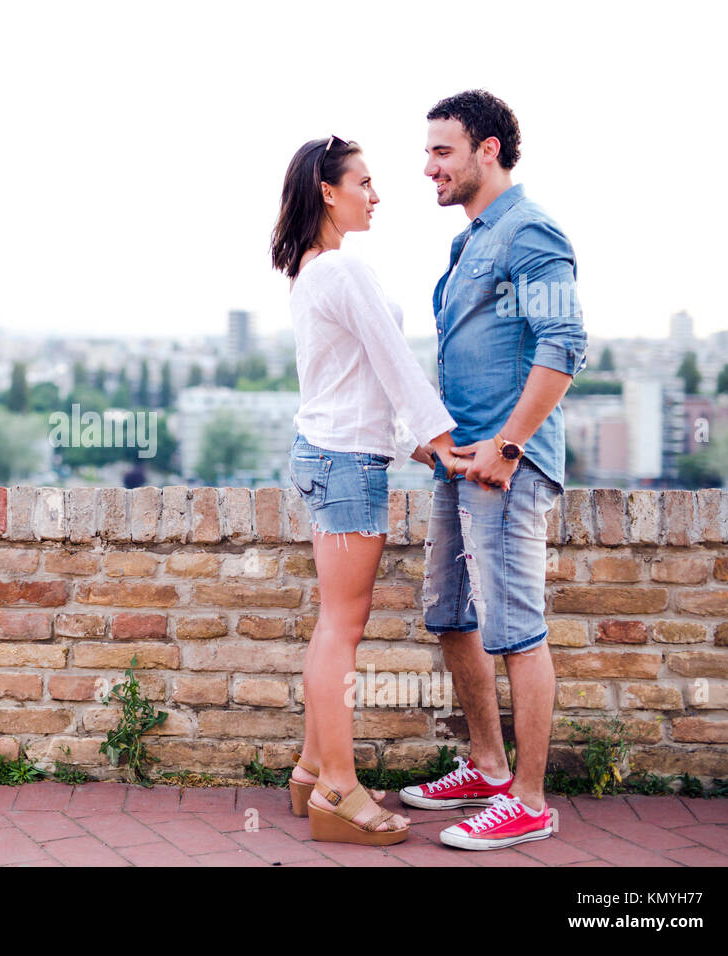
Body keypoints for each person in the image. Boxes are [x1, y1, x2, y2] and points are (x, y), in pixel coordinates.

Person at [399, 90, 588, 850]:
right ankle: (487, 765)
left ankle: (532, 802)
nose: (427, 167)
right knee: (451, 615)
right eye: (428, 152)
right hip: (460, 463)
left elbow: (564, 343)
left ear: (488, 150)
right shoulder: (468, 241)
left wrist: (508, 448)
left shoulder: (531, 232)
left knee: (516, 631)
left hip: (506, 469)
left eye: (442, 151)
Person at [271, 135, 464, 846]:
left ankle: (311, 770)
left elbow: (354, 375)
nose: (376, 195)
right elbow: (392, 359)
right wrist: (439, 438)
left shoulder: (310, 270)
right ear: (329, 189)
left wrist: (412, 438)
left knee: (331, 622)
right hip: (347, 462)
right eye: (365, 182)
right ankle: (339, 792)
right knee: (341, 629)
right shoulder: (343, 272)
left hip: (326, 451)